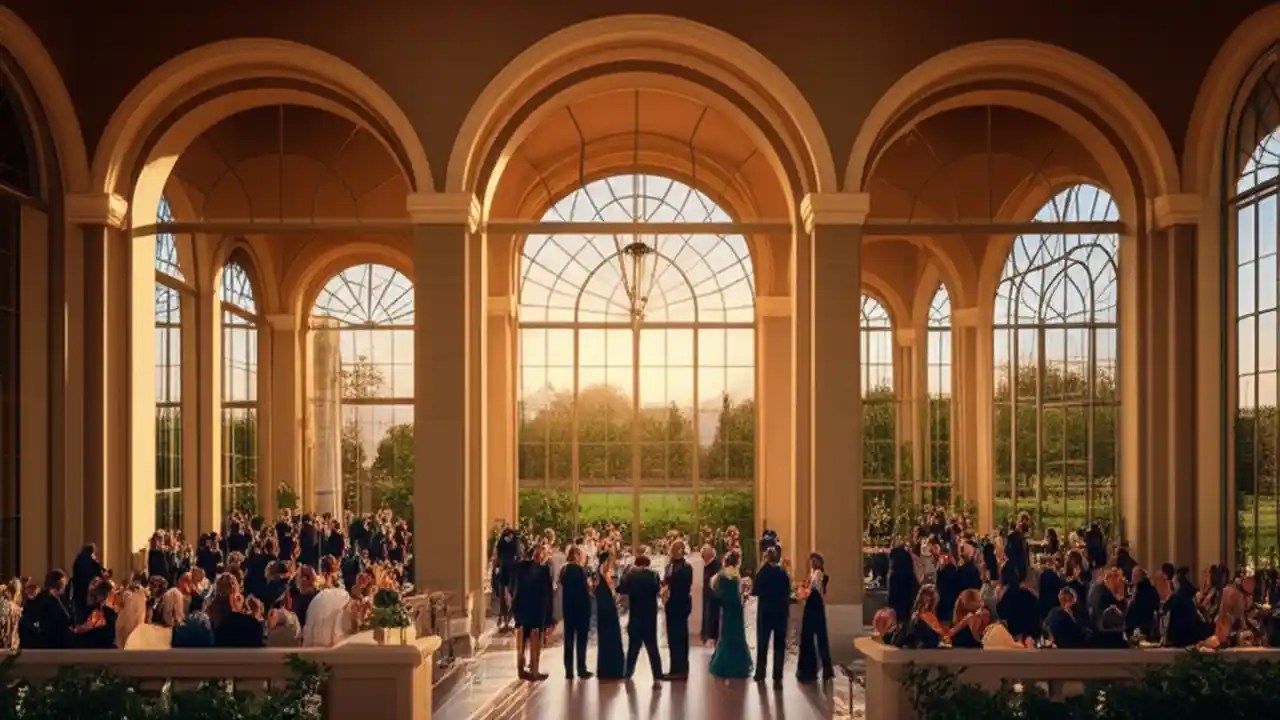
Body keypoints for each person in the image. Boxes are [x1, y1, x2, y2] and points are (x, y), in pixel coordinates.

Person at [619, 553, 664, 687]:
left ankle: (628, 673)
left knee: (633, 646)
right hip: (650, 614)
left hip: (636, 614)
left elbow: (622, 588)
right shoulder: (654, 574)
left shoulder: (631, 574)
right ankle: (657, 676)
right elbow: (657, 590)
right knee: (652, 647)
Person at [708, 551, 752, 679]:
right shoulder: (736, 574)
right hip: (737, 608)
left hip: (727, 608)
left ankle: (723, 663)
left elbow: (714, 586)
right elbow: (739, 593)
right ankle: (738, 664)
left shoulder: (721, 574)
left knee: (726, 634)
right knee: (738, 635)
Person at [513, 544, 552, 681]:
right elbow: (547, 593)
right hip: (537, 609)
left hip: (522, 608)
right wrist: (548, 616)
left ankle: (520, 667)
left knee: (521, 637)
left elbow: (515, 586)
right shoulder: (544, 570)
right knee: (535, 639)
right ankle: (534, 670)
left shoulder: (521, 567)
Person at [752, 546, 790, 684]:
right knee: (779, 645)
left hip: (766, 611)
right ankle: (778, 677)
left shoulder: (762, 572)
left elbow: (755, 590)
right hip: (780, 612)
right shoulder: (783, 572)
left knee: (763, 642)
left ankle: (760, 673)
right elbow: (787, 591)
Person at [796, 552, 833, 683]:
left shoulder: (818, 574)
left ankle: (812, 669)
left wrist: (802, 591)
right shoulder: (813, 575)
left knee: (810, 636)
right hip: (815, 608)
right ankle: (825, 668)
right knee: (820, 637)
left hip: (813, 608)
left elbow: (811, 591)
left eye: (814, 561)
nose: (812, 563)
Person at [558, 546, 593, 680]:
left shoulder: (564, 569)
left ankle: (568, 670)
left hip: (568, 607)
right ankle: (581, 668)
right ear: (577, 556)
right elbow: (585, 590)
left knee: (569, 639)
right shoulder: (579, 570)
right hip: (581, 608)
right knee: (581, 639)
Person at [663, 541, 694, 680]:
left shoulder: (686, 567)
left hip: (680, 604)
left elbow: (684, 583)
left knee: (680, 637)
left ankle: (681, 669)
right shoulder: (669, 565)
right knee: (672, 637)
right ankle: (674, 668)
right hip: (670, 604)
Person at [594, 550, 626, 680]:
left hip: (606, 611)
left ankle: (608, 668)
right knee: (610, 637)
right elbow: (609, 593)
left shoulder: (601, 575)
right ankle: (612, 669)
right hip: (607, 612)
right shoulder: (603, 576)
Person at [20, 570, 71, 649]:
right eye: (65, 584)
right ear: (60, 583)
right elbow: (66, 620)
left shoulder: (37, 599)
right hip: (53, 648)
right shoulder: (53, 601)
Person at [887, 545, 918, 627]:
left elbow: (892, 595)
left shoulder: (894, 575)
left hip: (897, 608)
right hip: (909, 607)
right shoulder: (910, 574)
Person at [699, 544, 722, 646]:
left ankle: (712, 636)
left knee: (713, 615)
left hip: (714, 596)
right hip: (708, 594)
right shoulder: (707, 565)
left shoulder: (716, 565)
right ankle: (707, 635)